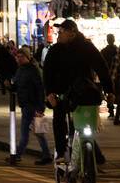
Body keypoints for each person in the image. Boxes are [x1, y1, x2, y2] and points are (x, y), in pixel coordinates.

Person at [42, 19, 113, 165]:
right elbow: (48, 72)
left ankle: (91, 154)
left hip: (83, 93)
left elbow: (102, 68)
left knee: (83, 126)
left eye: (62, 32)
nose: (58, 35)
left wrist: (109, 90)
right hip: (61, 93)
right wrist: (49, 93)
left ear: (72, 33)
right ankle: (61, 152)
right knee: (59, 119)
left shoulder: (86, 47)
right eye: (58, 32)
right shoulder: (55, 49)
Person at [12, 46, 52, 165]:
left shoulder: (33, 70)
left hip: (33, 104)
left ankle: (18, 155)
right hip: (26, 104)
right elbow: (17, 85)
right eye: (17, 57)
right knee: (39, 132)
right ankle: (46, 155)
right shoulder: (20, 69)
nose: (19, 59)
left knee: (26, 132)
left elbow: (40, 89)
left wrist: (40, 107)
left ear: (28, 57)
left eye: (21, 57)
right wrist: (10, 86)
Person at [100, 34, 119, 118]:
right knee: (117, 93)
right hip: (117, 74)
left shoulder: (104, 51)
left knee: (109, 93)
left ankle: (111, 111)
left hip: (106, 75)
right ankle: (117, 112)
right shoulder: (117, 50)